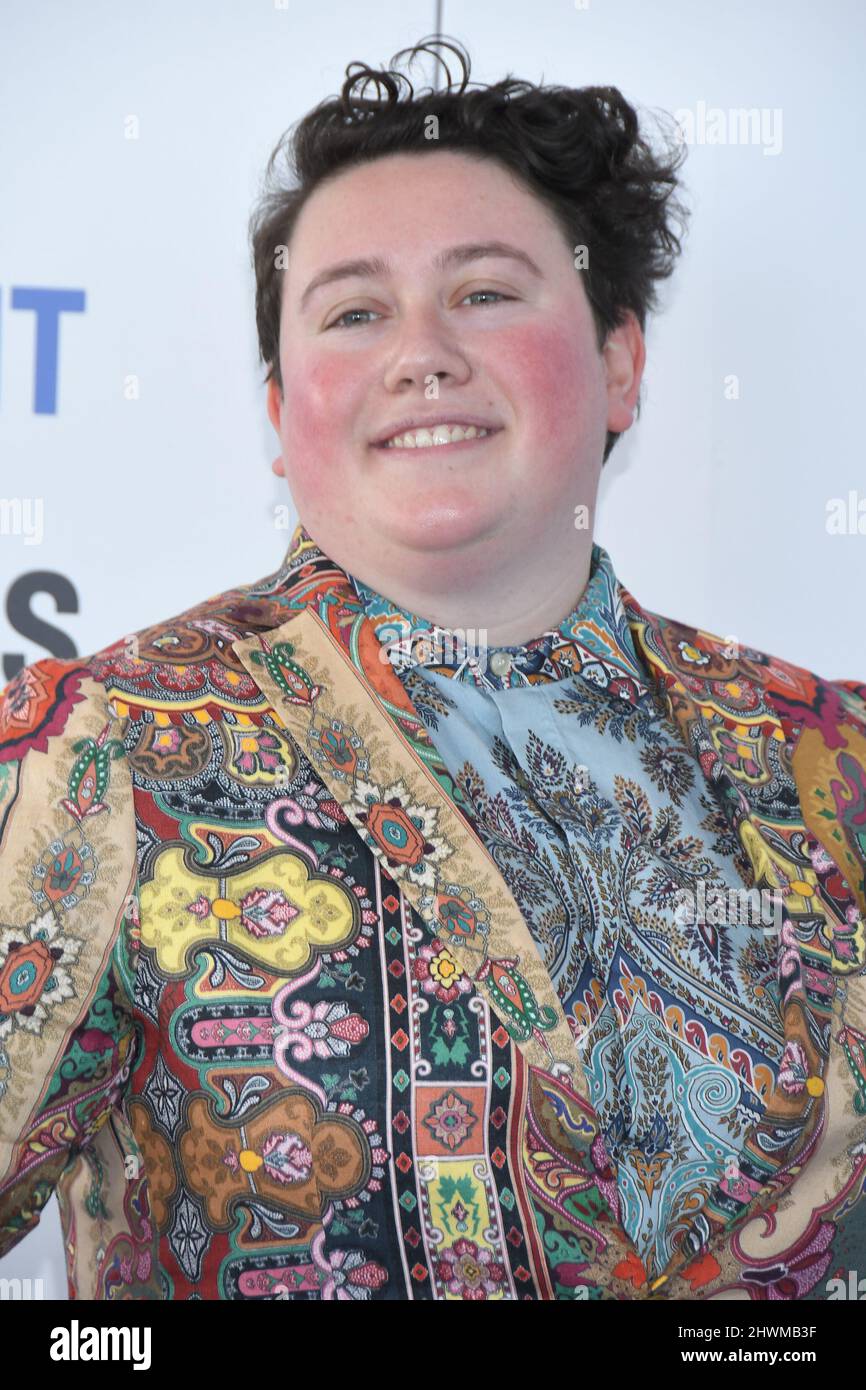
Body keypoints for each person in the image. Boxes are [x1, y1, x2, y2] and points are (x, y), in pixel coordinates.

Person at [1, 35, 864, 1302]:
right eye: (353, 311)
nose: (422, 353)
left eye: (486, 293)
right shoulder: (103, 745)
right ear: (280, 408)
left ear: (619, 360)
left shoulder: (831, 754)